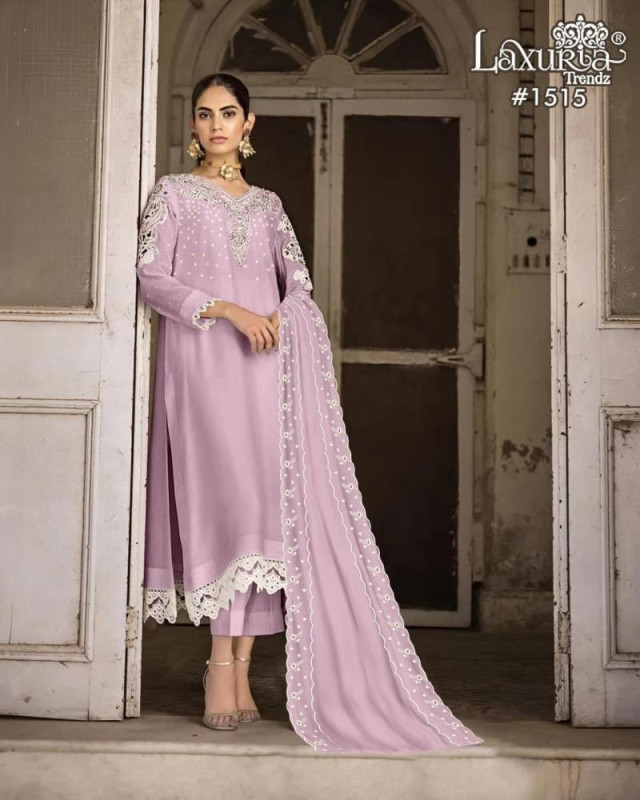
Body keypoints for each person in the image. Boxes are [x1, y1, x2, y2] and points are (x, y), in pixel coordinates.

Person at [136, 72, 484, 754]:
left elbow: (300, 284)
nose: (216, 125)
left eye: (228, 113)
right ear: (193, 125)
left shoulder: (269, 206)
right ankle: (218, 668)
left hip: (266, 374)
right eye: (205, 114)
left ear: (249, 124)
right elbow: (152, 278)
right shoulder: (171, 195)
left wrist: (281, 313)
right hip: (203, 371)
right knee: (224, 508)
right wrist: (230, 310)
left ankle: (240, 670)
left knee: (260, 517)